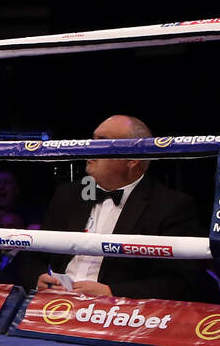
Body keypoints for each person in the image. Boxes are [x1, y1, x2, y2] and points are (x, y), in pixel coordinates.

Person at [23, 114, 204, 300]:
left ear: (132, 158)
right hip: (54, 305)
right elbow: (32, 257)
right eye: (92, 140)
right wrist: (39, 278)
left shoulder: (170, 206)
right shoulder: (69, 195)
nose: (90, 148)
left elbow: (180, 282)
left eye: (102, 142)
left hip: (120, 316)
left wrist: (111, 293)